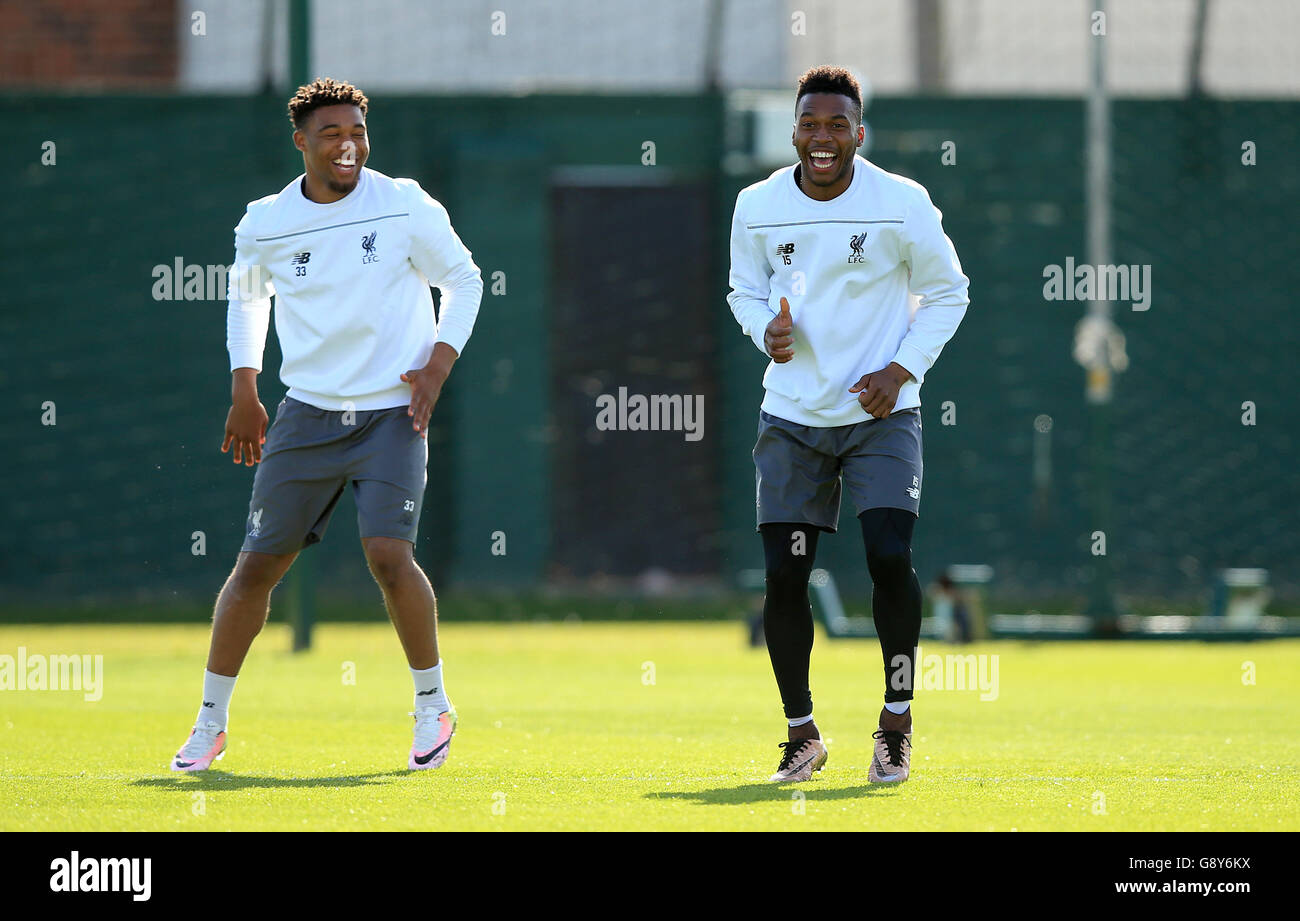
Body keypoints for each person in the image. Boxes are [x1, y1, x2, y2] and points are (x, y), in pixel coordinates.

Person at [170, 78, 483, 773]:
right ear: (302, 142)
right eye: (332, 134)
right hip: (305, 414)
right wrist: (244, 388)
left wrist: (435, 367)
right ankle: (209, 722)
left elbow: (464, 280)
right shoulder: (265, 220)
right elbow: (248, 301)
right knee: (256, 567)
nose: (349, 146)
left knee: (387, 555)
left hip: (392, 413)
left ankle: (433, 704)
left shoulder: (402, 203)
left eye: (358, 133)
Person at [727, 65, 969, 784]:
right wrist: (761, 331)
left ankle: (896, 720)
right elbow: (744, 289)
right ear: (793, 131)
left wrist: (900, 372)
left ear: (860, 133)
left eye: (838, 125)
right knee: (784, 573)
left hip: (879, 416)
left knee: (889, 555)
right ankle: (802, 733)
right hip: (794, 418)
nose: (823, 137)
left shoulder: (902, 203)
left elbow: (950, 293)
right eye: (810, 124)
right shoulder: (757, 204)